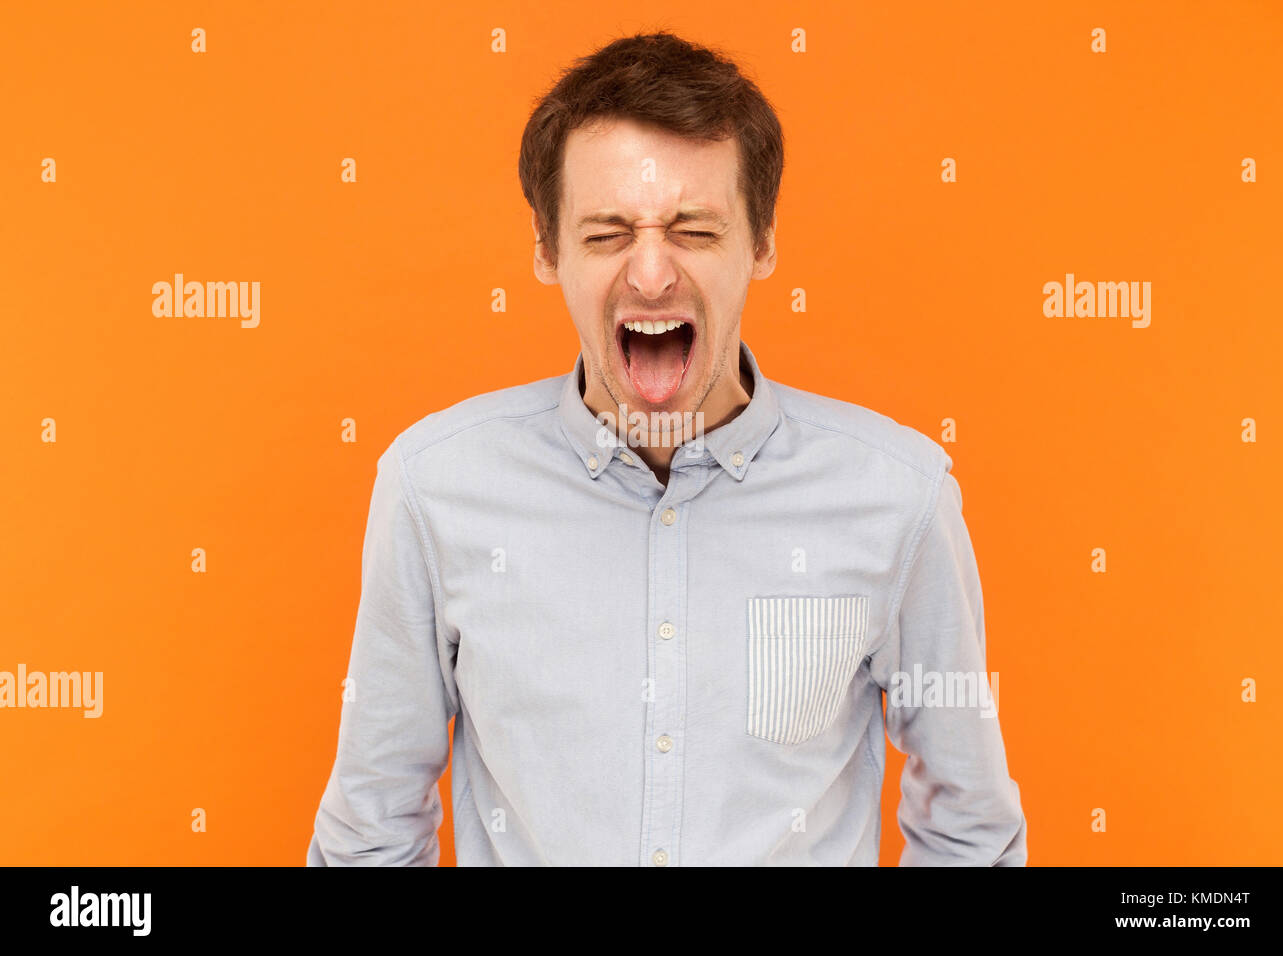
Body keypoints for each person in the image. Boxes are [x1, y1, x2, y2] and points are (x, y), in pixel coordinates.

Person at [307, 31, 1027, 866]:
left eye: (693, 229)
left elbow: (972, 831)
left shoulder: (900, 498)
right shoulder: (432, 491)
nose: (651, 276)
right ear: (547, 250)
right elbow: (371, 828)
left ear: (760, 245)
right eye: (609, 233)